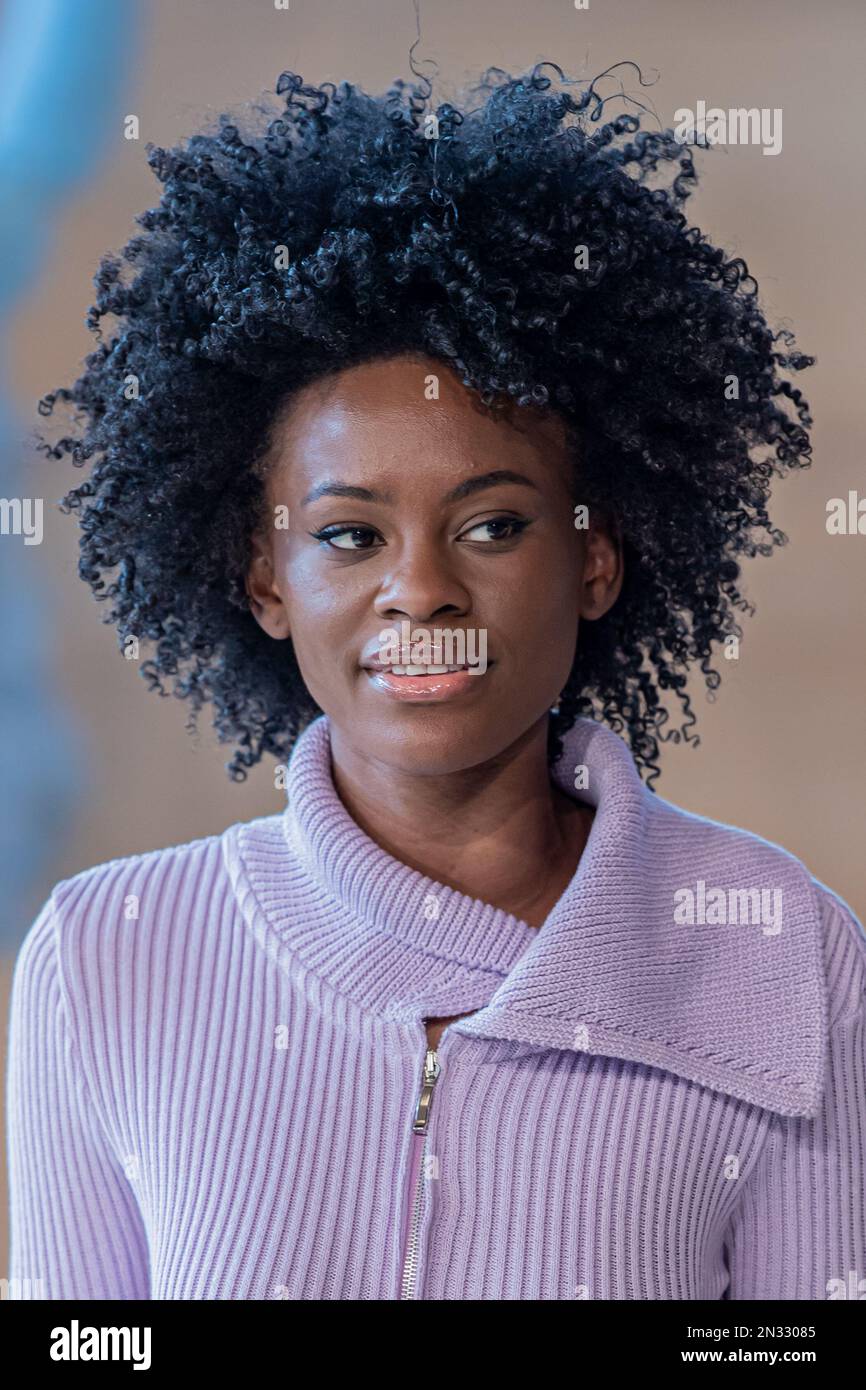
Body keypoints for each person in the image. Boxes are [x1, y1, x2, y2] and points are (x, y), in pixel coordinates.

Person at [7, 63, 864, 1301]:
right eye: (349, 534)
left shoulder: (779, 951)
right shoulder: (104, 956)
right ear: (263, 580)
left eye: (492, 525)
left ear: (594, 557)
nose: (420, 591)